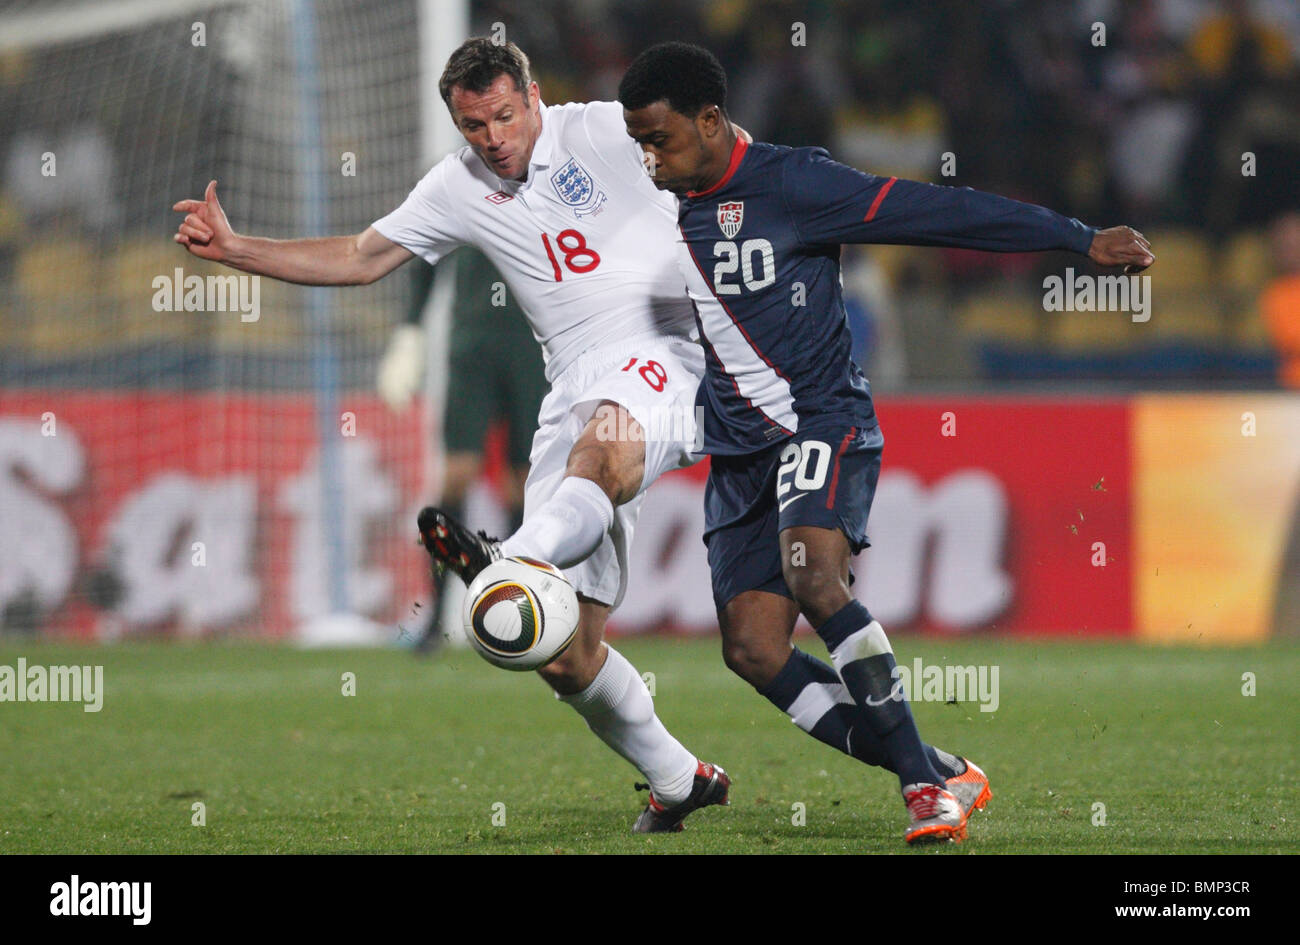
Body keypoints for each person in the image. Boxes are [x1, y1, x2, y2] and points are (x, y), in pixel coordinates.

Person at [172, 38, 727, 833]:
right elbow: (363, 258)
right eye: (474, 125)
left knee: (600, 453)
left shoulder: (606, 129)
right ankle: (678, 778)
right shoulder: (457, 187)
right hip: (569, 387)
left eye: (504, 116)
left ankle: (513, 556)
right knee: (560, 646)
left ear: (534, 97)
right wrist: (236, 249)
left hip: (672, 353)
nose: (494, 138)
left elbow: (712, 148)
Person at [618, 42, 1155, 844]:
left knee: (813, 575)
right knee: (754, 650)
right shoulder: (655, 199)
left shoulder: (796, 182)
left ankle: (921, 792)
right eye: (638, 144)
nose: (649, 159)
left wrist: (1075, 238)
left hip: (819, 418)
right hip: (736, 453)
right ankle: (939, 767)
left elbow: (937, 213)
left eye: (659, 140)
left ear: (710, 119)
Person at [377, 248, 547, 652]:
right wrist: (410, 332)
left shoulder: (546, 187)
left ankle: (523, 616)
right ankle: (435, 620)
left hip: (532, 342)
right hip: (471, 343)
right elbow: (425, 253)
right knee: (456, 476)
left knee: (523, 483)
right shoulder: (461, 186)